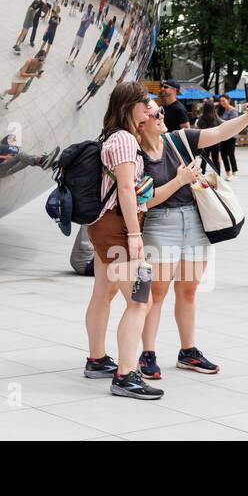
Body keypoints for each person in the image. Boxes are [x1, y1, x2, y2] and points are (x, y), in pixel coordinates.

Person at [135, 94, 248, 379]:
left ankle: (188, 351)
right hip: (159, 223)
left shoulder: (178, 139)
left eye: (161, 112)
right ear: (140, 123)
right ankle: (147, 353)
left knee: (189, 290)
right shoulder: (136, 154)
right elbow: (144, 201)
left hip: (194, 220)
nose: (161, 117)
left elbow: (217, 133)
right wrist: (179, 181)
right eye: (155, 115)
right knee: (156, 292)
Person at [82, 81, 162, 399]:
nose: (151, 108)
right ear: (130, 106)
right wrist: (135, 234)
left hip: (106, 225)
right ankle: (126, 375)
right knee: (141, 300)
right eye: (145, 103)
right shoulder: (125, 141)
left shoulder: (113, 137)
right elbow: (127, 190)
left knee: (104, 293)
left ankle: (97, 359)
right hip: (120, 226)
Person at [216, 94, 240, 179]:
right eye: (220, 101)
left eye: (223, 100)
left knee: (230, 153)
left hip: (231, 135)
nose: (222, 102)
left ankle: (234, 173)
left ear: (228, 100)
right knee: (223, 154)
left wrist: (217, 118)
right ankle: (228, 172)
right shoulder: (222, 110)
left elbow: (231, 123)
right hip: (223, 135)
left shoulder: (233, 111)